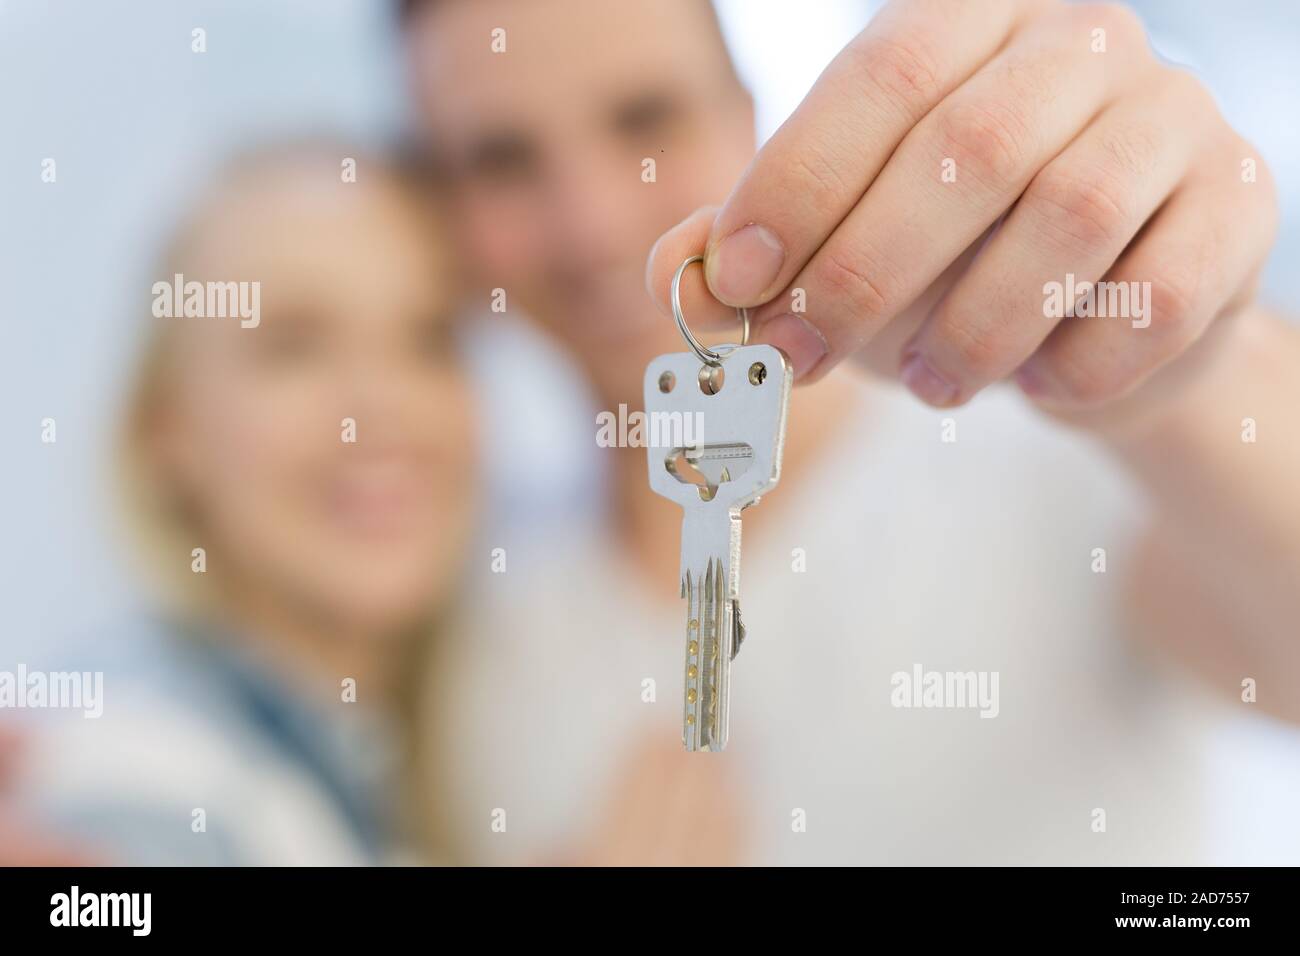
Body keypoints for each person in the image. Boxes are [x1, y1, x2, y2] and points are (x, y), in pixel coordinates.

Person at [402, 0, 1299, 864]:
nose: (590, 221)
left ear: (747, 115)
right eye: (502, 160)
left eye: (647, 118)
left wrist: (1164, 373)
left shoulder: (1049, 445)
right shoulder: (457, 601)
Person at [14, 142, 477, 864]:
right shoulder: (128, 774)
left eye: (428, 340)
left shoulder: (378, 764)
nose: (384, 407)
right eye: (294, 346)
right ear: (164, 428)